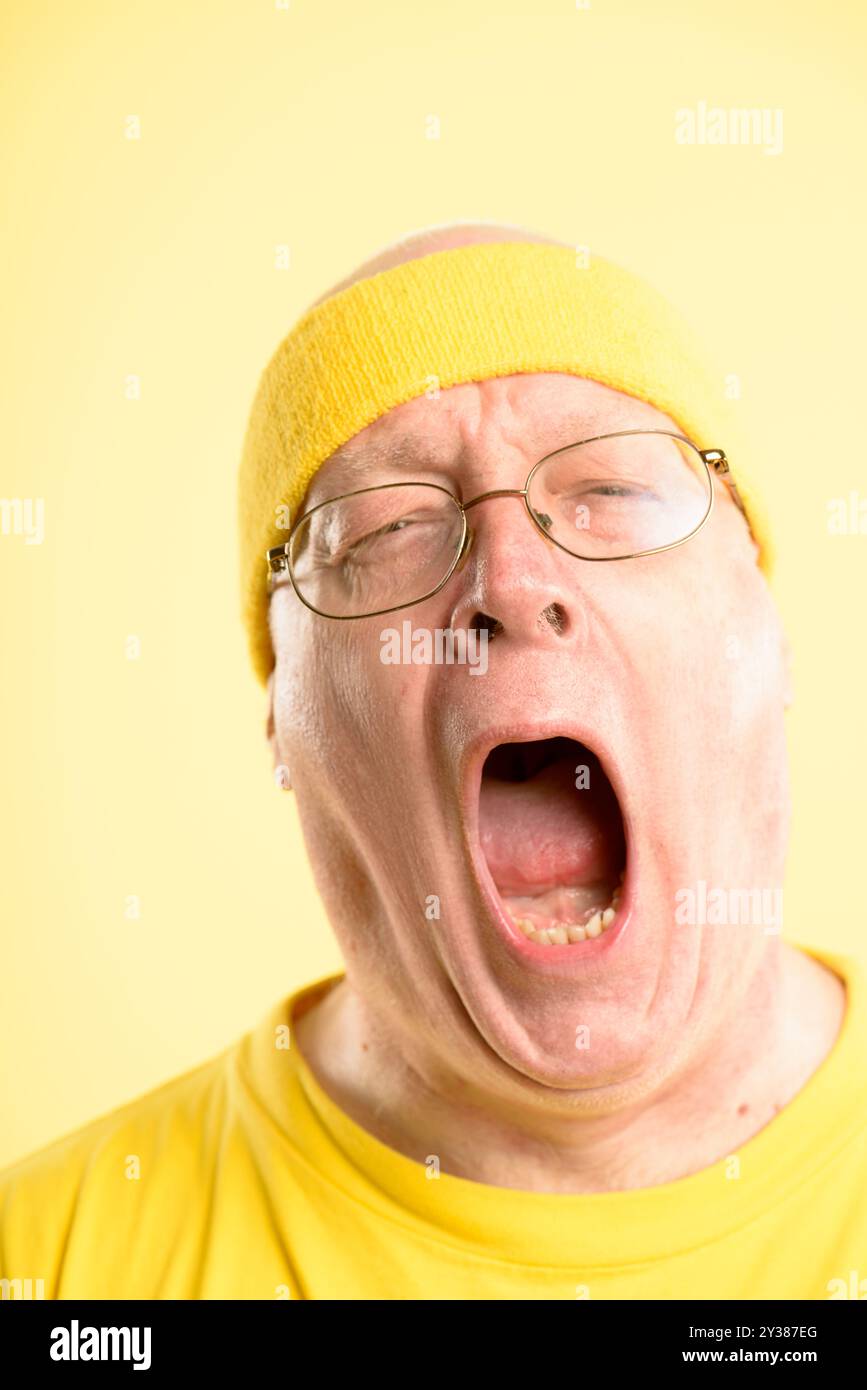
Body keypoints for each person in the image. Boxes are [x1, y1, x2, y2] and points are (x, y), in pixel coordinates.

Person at [2, 223, 865, 1301]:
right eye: (387, 528)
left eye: (614, 492)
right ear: (281, 713)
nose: (509, 578)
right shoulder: (50, 1270)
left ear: (769, 632)